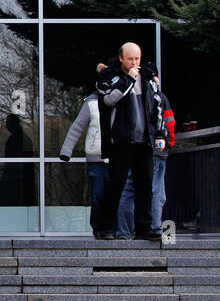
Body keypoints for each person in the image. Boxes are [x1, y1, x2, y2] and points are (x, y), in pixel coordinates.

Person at [96, 42, 167, 241]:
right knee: (116, 185)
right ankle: (106, 227)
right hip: (121, 141)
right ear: (121, 58)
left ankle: (144, 228)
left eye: (137, 58)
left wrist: (160, 134)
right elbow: (110, 100)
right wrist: (128, 79)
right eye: (130, 59)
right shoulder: (110, 77)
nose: (134, 62)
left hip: (143, 142)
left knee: (145, 186)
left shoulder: (148, 78)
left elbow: (158, 106)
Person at [116, 66, 174, 239]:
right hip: (154, 151)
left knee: (127, 191)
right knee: (155, 191)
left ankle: (124, 232)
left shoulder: (131, 95)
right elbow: (169, 123)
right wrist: (167, 142)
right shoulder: (158, 97)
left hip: (135, 149)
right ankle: (155, 228)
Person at [58, 69, 112, 239]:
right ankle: (98, 227)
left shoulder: (120, 100)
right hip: (96, 157)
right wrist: (66, 151)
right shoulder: (91, 103)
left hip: (116, 157)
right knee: (97, 195)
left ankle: (112, 227)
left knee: (115, 196)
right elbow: (77, 127)